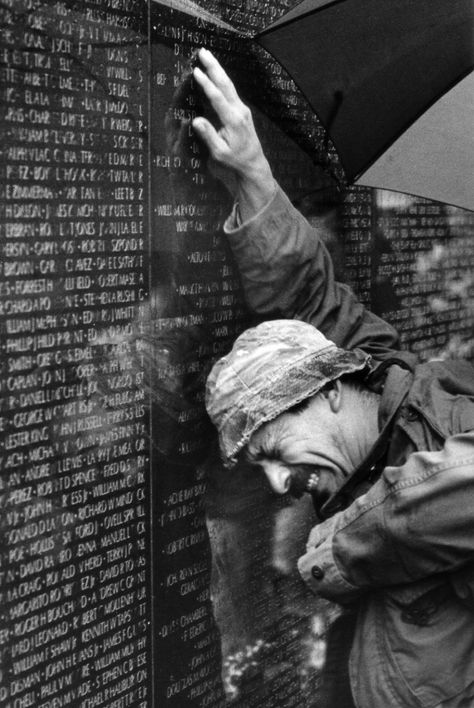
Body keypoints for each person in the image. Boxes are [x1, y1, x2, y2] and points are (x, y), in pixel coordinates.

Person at [191, 48, 474, 708]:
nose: (276, 483)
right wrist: (255, 182)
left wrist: (348, 545)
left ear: (330, 392)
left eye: (272, 448)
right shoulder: (381, 379)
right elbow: (309, 301)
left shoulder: (447, 428)